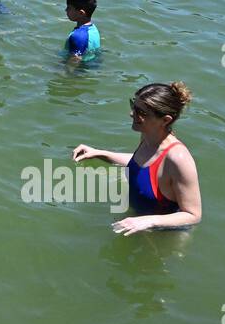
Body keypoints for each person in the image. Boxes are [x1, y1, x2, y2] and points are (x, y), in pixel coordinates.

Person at [71, 82, 203, 234]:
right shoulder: (147, 136)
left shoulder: (178, 159)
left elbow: (193, 215)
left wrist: (148, 221)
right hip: (137, 222)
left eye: (141, 112)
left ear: (165, 120)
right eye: (134, 106)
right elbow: (143, 165)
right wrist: (101, 153)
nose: (132, 113)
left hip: (166, 234)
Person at [63, 0, 101, 64]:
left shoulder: (78, 36)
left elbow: (75, 60)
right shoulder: (93, 28)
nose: (66, 10)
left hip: (80, 70)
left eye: (69, 8)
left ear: (81, 13)